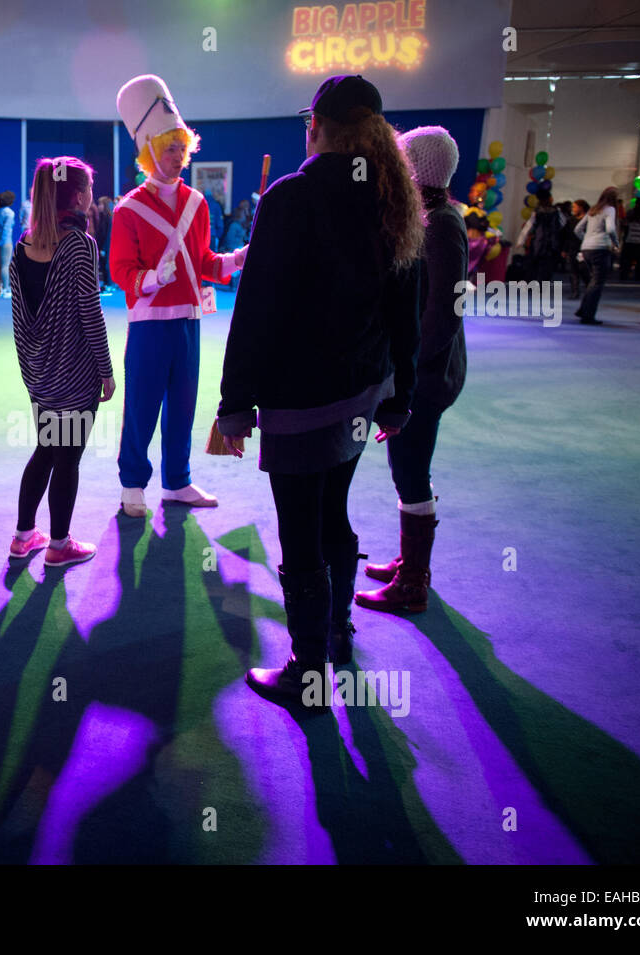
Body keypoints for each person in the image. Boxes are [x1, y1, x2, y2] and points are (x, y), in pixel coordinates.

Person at [215, 74, 421, 711]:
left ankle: (308, 679)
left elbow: (256, 311)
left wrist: (234, 402)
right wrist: (400, 394)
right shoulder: (392, 195)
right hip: (363, 393)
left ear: (317, 125)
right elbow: (404, 308)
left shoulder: (291, 198)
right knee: (334, 512)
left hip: (300, 402)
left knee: (300, 530)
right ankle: (335, 633)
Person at [110, 74, 247, 517]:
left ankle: (177, 481)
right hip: (149, 326)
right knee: (142, 407)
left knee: (183, 406)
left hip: (188, 321)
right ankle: (133, 483)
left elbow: (204, 261)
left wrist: (238, 258)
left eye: (183, 147)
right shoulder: (128, 208)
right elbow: (119, 270)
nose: (178, 156)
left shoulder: (198, 203)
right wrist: (149, 279)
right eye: (170, 147)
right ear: (149, 151)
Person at [354, 126, 466, 618]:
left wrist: (405, 376)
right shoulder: (434, 217)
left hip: (426, 376)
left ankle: (413, 582)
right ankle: (410, 562)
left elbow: (442, 312)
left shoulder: (441, 224)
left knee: (410, 469)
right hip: (426, 372)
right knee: (409, 467)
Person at [9, 157, 115, 569]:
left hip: (39, 376)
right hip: (73, 377)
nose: (92, 195)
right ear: (77, 195)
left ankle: (23, 537)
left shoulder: (23, 245)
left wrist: (33, 372)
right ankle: (58, 545)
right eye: (89, 188)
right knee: (66, 459)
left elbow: (20, 318)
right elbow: (91, 314)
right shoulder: (79, 246)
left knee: (46, 451)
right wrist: (105, 370)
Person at [574, 186, 620, 324]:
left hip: (586, 249)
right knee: (597, 283)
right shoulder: (610, 209)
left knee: (591, 282)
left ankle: (583, 309)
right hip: (600, 248)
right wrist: (615, 243)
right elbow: (611, 228)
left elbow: (577, 229)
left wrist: (586, 239)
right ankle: (588, 315)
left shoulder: (593, 209)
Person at [525, 187, 562, 283]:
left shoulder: (536, 211)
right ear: (549, 198)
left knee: (534, 264)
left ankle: (531, 284)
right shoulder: (555, 211)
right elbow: (562, 223)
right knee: (547, 266)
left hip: (538, 240)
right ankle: (542, 285)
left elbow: (530, 226)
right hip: (551, 241)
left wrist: (525, 238)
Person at [0, 191, 16, 298]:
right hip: (5, 242)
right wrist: (1, 241)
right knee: (5, 265)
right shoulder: (9, 213)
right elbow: (6, 230)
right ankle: (6, 289)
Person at [619, 201, 640, 281]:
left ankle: (624, 275)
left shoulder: (630, 220)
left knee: (627, 261)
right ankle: (639, 275)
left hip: (630, 242)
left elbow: (625, 230)